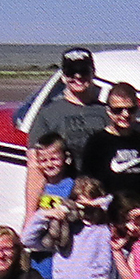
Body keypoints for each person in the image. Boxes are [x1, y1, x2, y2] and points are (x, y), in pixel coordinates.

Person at [25, 47, 107, 219]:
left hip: (100, 200)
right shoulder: (47, 115)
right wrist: (30, 216)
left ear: (93, 73)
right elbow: (35, 167)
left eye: (83, 71)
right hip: (63, 203)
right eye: (71, 72)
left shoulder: (109, 113)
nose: (78, 77)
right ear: (63, 76)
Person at [80, 82, 140, 204]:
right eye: (118, 110)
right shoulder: (97, 141)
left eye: (131, 109)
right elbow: (86, 180)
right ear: (109, 111)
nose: (125, 114)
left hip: (139, 209)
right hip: (108, 210)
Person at [28, 131, 76, 279]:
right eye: (44, 160)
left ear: (66, 159)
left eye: (54, 159)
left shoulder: (73, 185)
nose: (49, 164)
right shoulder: (38, 187)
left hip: (66, 249)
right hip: (42, 251)